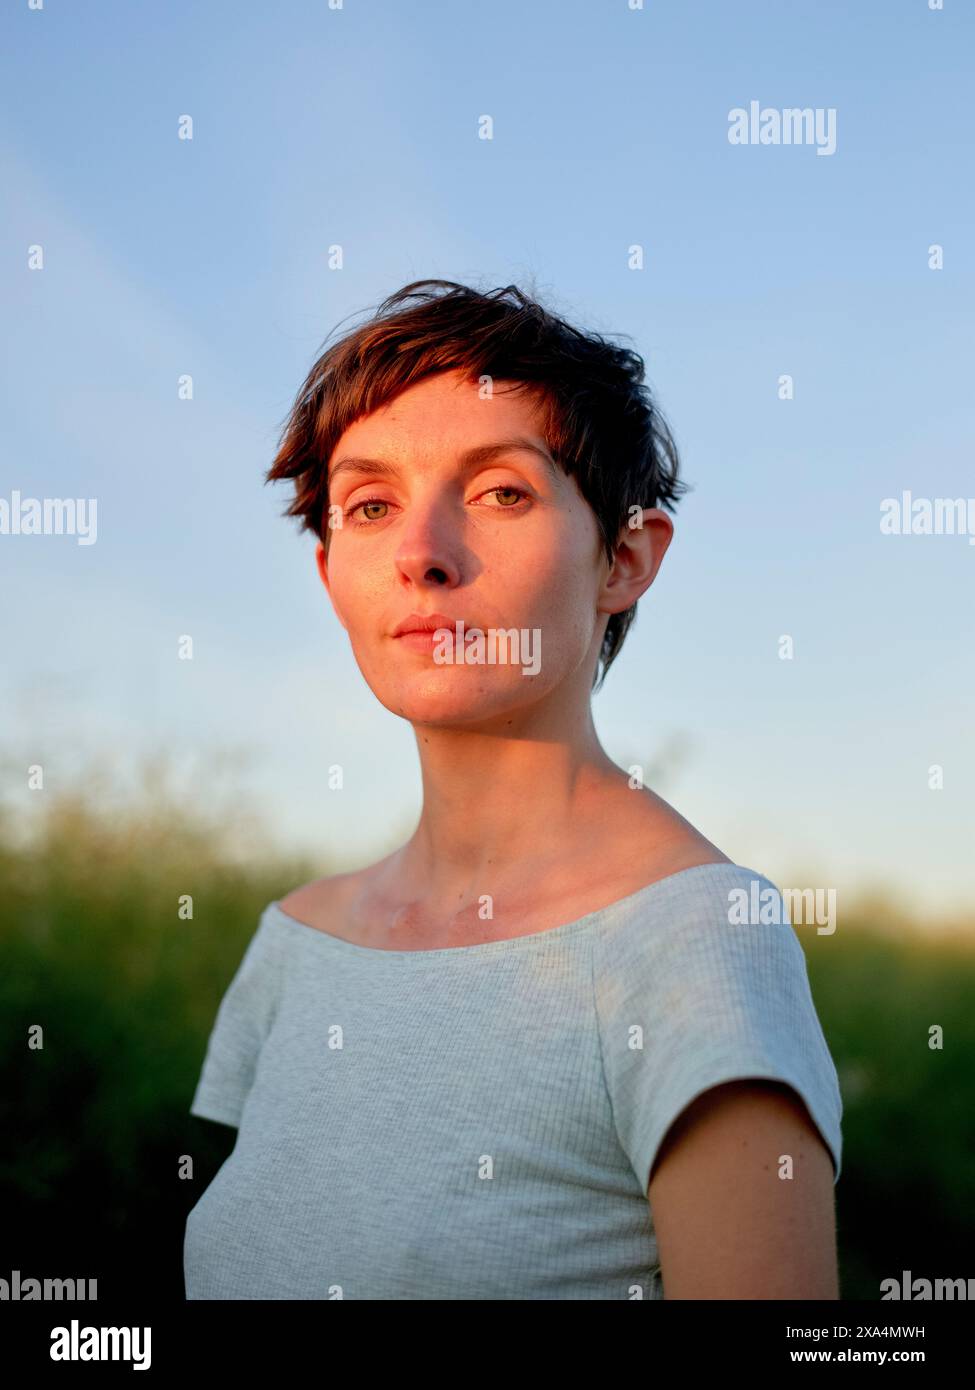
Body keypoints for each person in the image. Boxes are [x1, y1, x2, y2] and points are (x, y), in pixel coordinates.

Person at [183, 279, 843, 1300]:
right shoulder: (295, 940)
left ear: (624, 556)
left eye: (500, 492)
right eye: (370, 505)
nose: (420, 556)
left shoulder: (697, 942)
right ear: (329, 577)